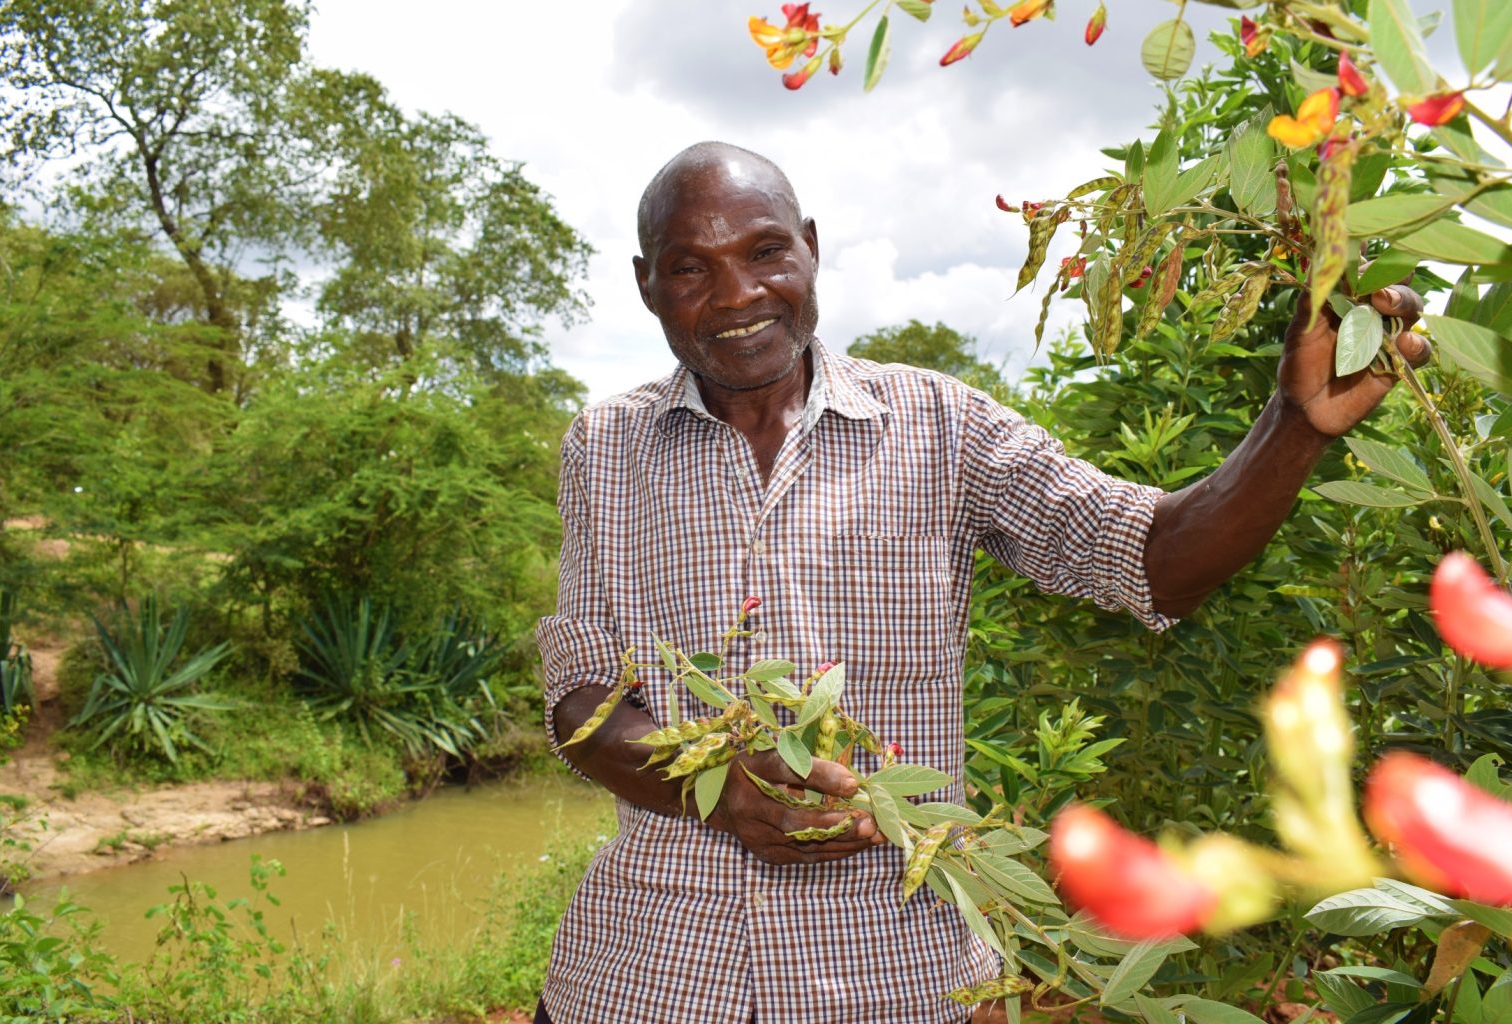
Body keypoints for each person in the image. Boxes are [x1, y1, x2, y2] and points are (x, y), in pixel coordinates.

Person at [533, 141, 1428, 1024]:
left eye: (765, 251)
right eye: (692, 269)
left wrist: (1295, 426)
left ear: (809, 244)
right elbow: (581, 702)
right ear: (647, 284)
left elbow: (1154, 560)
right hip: (650, 967)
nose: (737, 295)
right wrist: (725, 787)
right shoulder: (605, 447)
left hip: (898, 974)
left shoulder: (939, 427)